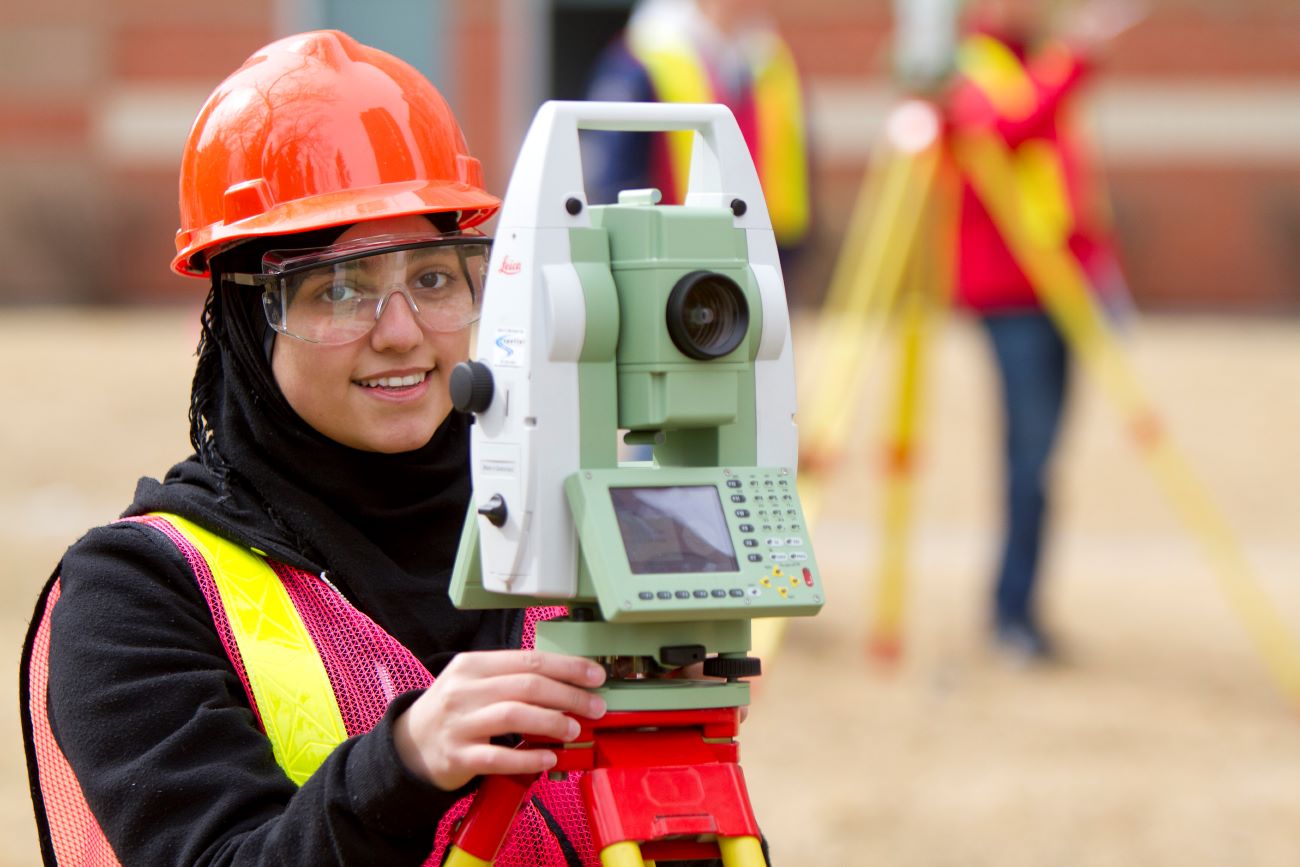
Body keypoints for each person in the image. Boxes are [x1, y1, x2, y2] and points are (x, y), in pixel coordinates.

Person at [20, 30, 612, 865]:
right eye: (339, 289)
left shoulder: (569, 539)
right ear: (244, 314)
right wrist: (400, 764)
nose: (402, 334)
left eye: (435, 276)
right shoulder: (134, 598)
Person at [944, 0, 1140, 661]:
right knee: (1027, 458)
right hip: (1009, 292)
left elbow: (1063, 186)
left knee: (1046, 456)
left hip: (1059, 283)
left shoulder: (1036, 63)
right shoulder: (971, 64)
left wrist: (1098, 274)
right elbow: (1004, 131)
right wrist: (1073, 60)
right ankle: (1011, 611)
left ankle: (1025, 604)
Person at [581, 0, 811, 258]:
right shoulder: (646, 53)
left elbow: (795, 155)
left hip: (761, 243)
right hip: (670, 247)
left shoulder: (768, 56)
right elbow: (614, 173)